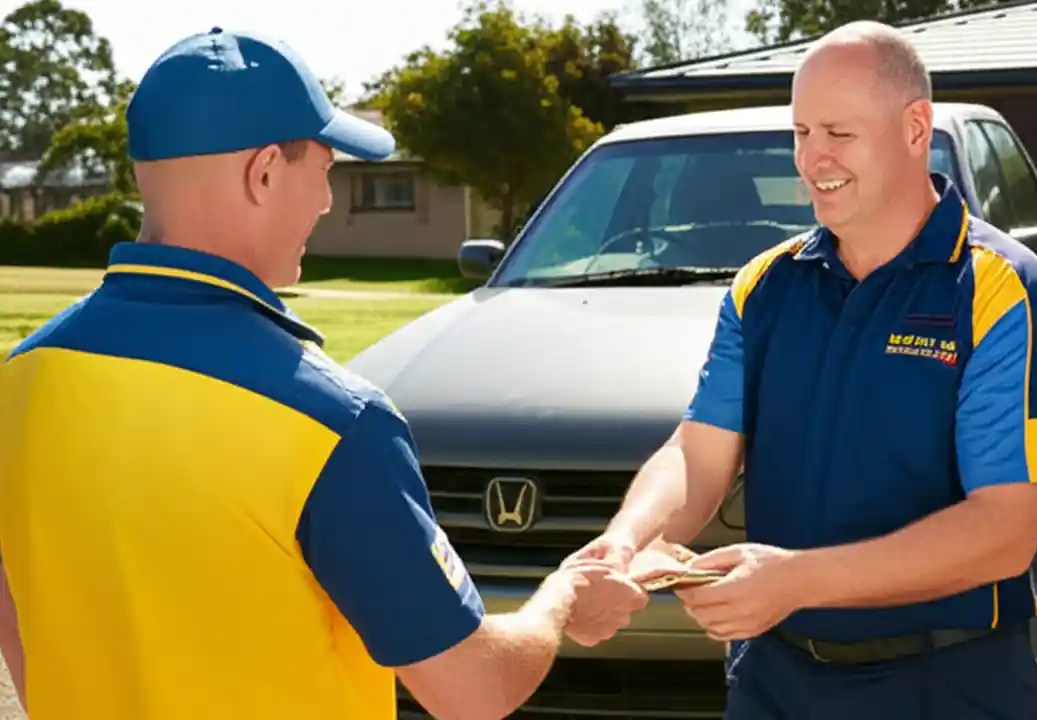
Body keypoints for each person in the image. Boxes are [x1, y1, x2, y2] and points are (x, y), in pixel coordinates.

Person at [0, 27, 645, 720]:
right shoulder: (330, 420)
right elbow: (474, 690)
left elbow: (17, 616)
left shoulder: (22, 379)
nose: (328, 203)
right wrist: (564, 596)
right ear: (266, 172)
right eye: (325, 171)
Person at [563, 20, 1037, 719]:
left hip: (947, 682)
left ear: (915, 127)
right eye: (801, 133)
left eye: (838, 133)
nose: (812, 159)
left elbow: (1005, 533)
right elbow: (699, 451)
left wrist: (796, 580)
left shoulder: (1000, 288)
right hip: (774, 681)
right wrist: (625, 545)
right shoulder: (764, 285)